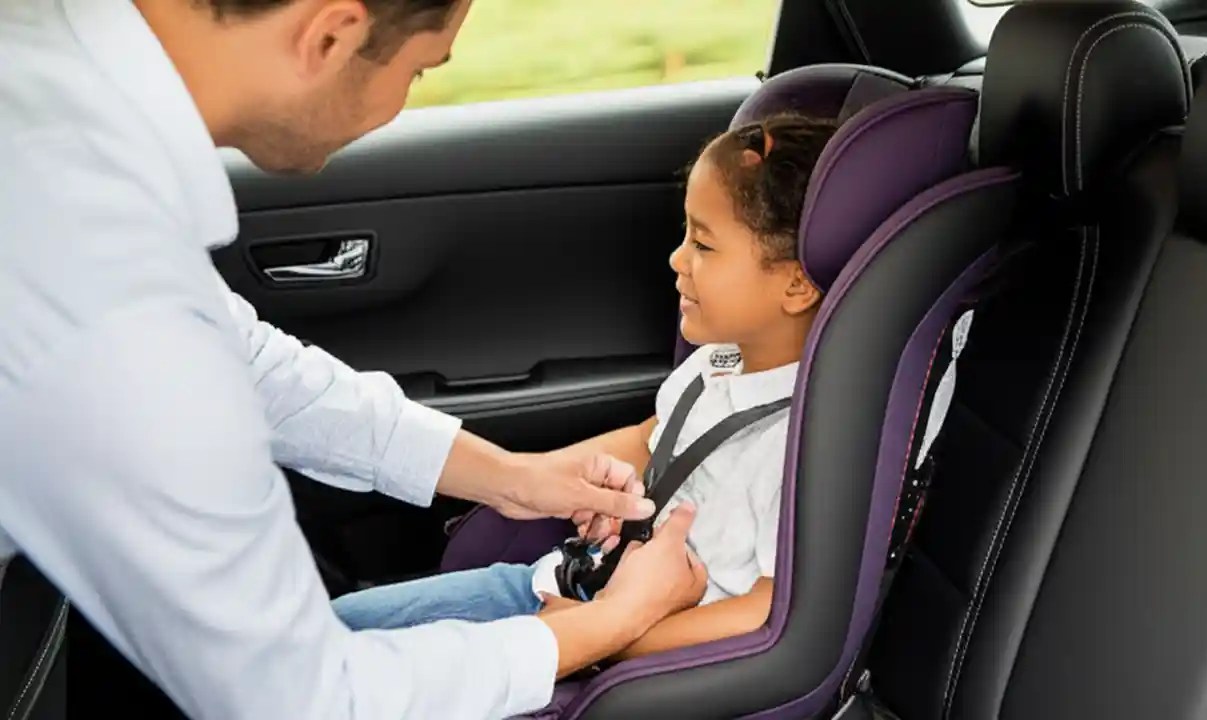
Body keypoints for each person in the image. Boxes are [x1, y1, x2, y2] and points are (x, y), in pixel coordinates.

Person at [0, 1, 708, 718]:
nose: (405, 104)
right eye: (419, 70)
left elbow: (236, 354)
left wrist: (510, 477)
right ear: (331, 35)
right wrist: (609, 624)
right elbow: (300, 700)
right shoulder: (104, 286)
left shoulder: (48, 87)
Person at [331, 116, 837, 663]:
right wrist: (539, 480)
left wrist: (608, 636)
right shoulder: (716, 364)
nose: (677, 258)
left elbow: (768, 610)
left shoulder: (802, 442)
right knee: (325, 635)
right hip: (562, 587)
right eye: (685, 235)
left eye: (704, 245)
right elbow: (653, 439)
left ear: (794, 283)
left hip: (634, 651)